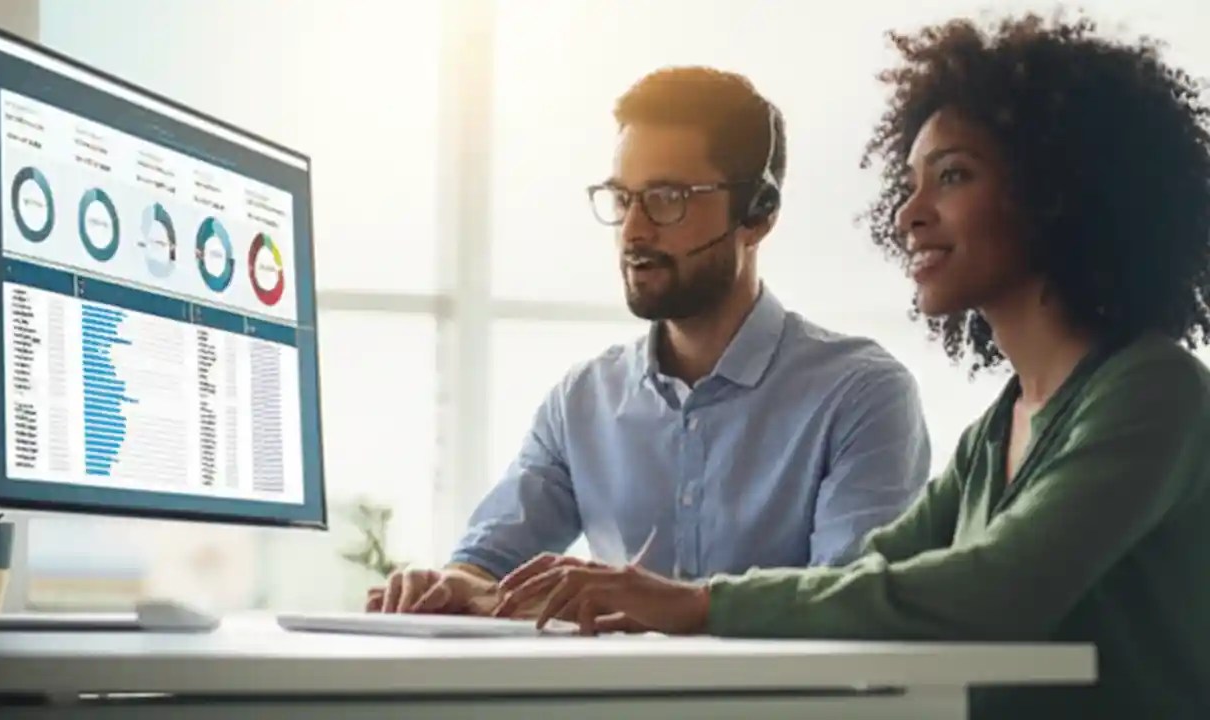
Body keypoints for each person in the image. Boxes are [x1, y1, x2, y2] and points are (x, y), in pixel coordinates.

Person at [492, 13, 1210, 718]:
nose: (907, 214)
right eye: (911, 181)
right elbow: (872, 576)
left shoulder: (1154, 391)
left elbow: (997, 585)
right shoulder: (999, 429)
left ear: (1062, 194)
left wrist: (697, 601)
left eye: (952, 175)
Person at [367, 67, 932, 616]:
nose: (634, 230)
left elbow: (849, 604)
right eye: (621, 198)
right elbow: (487, 566)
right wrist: (443, 589)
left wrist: (676, 609)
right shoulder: (581, 401)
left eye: (667, 198)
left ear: (758, 214)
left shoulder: (861, 393)